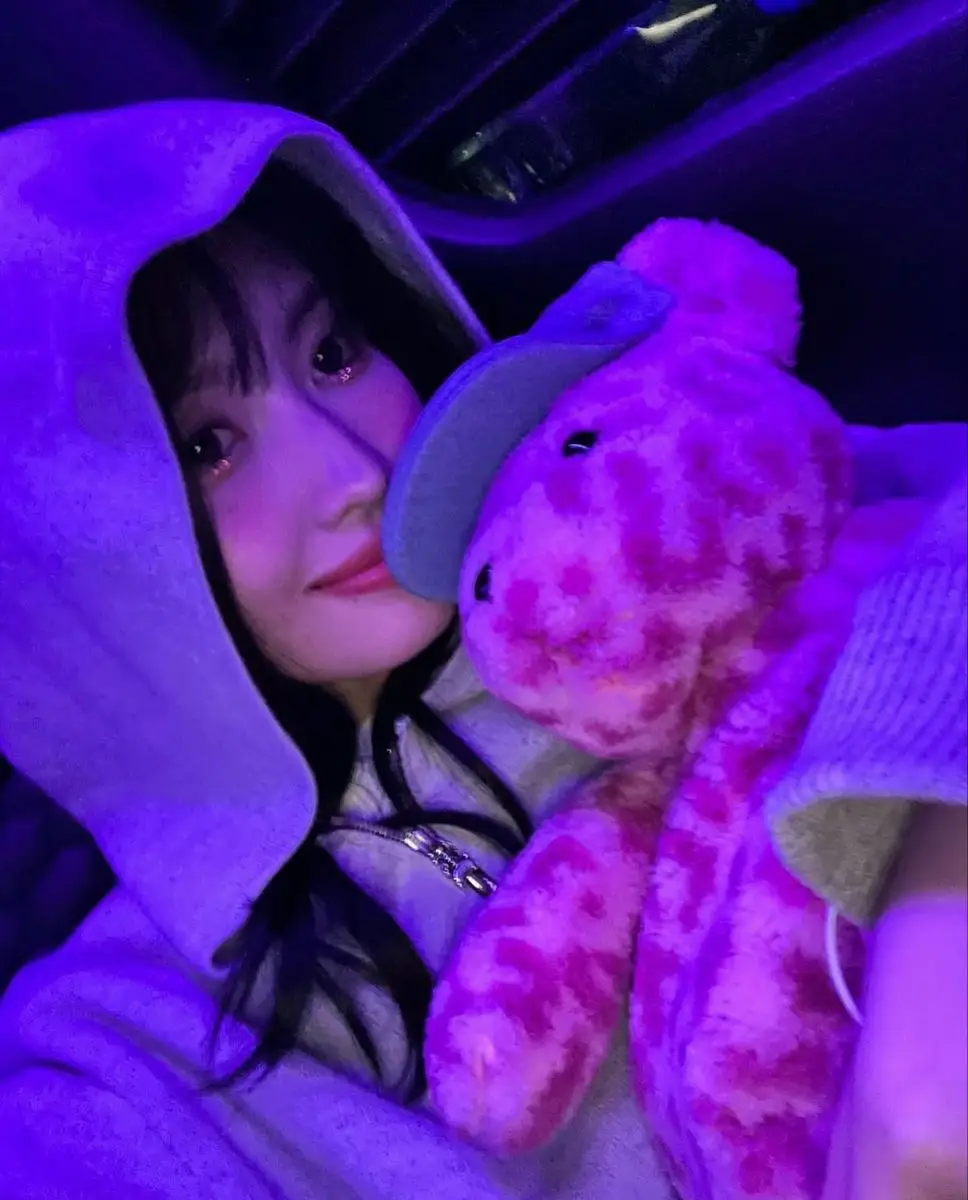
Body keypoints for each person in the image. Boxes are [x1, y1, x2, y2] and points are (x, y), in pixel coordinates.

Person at [0, 99, 963, 1200]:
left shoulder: (615, 511)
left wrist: (939, 907)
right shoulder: (123, 1057)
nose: (353, 473)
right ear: (61, 562)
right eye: (208, 447)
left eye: (332, 353)